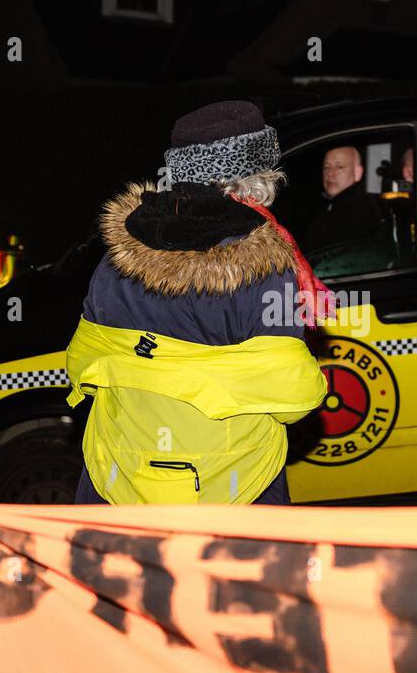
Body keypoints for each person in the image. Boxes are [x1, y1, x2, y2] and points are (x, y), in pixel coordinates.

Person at [66, 101, 330, 505]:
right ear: (259, 178)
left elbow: (81, 362)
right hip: (237, 489)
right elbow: (295, 394)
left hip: (118, 481)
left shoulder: (115, 256)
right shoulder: (264, 268)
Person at [305, 145, 386, 252]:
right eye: (326, 167)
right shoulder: (325, 207)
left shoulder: (362, 210)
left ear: (358, 173)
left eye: (340, 167)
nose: (330, 173)